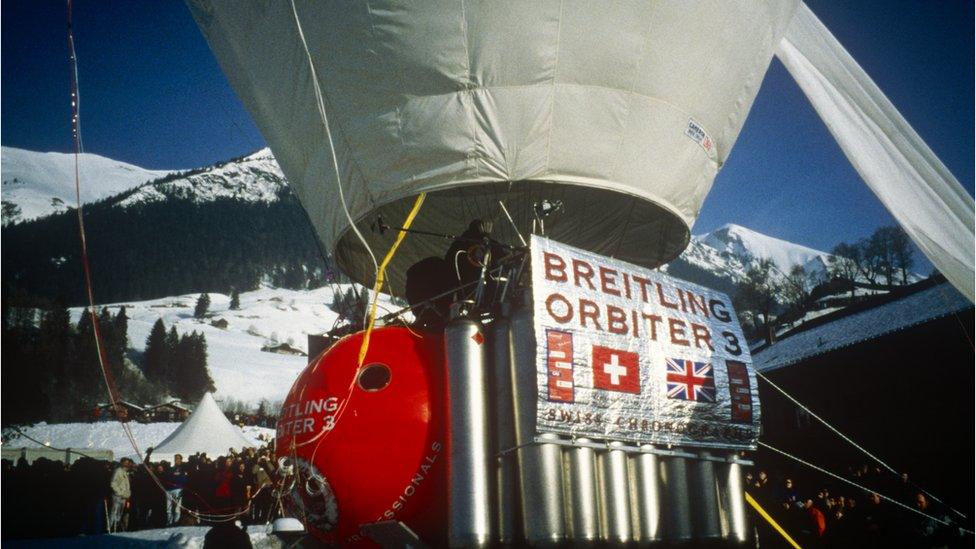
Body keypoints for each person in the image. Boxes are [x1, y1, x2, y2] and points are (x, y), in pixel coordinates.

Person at [109, 458, 134, 532]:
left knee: (119, 515)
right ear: (122, 463)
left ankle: (116, 529)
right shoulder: (118, 471)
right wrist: (119, 492)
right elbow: (113, 483)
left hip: (123, 497)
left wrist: (127, 494)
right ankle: (111, 528)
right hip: (117, 497)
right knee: (114, 513)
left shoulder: (125, 472)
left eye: (128, 463)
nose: (127, 464)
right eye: (125, 462)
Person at [165, 454, 189, 525]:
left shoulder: (183, 469)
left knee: (177, 509)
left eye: (178, 458)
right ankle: (169, 523)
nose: (176, 460)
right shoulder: (171, 469)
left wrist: (175, 479)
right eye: (175, 458)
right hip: (169, 490)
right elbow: (167, 478)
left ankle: (176, 523)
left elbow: (184, 479)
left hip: (178, 490)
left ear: (181, 459)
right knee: (168, 509)